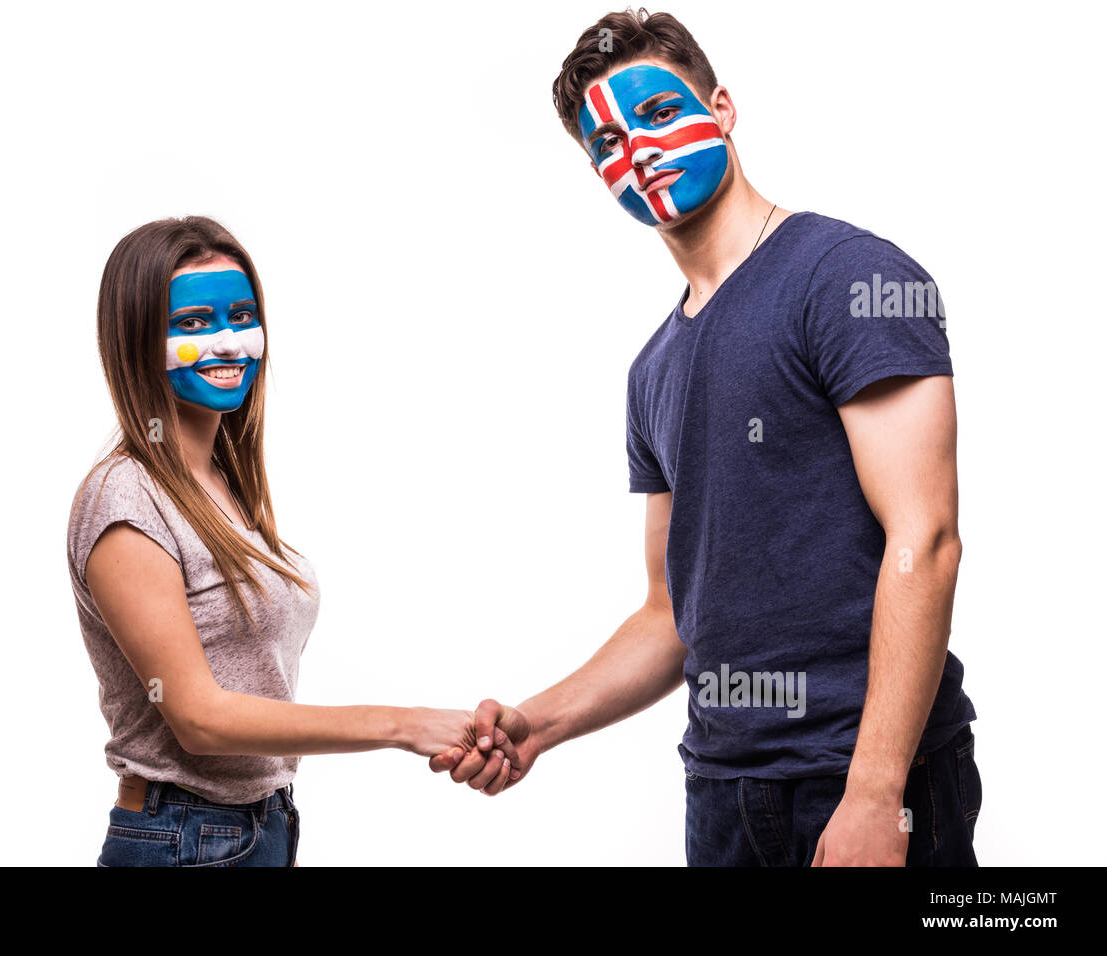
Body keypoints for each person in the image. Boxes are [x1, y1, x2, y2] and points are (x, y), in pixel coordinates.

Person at [432, 8, 981, 867]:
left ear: (722, 107)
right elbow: (671, 615)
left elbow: (929, 538)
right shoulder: (653, 368)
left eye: (656, 114)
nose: (637, 150)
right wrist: (538, 723)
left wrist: (876, 789)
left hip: (863, 775)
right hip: (721, 792)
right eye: (606, 143)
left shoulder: (849, 277)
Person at [68, 216, 518, 867]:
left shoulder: (224, 484)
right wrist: (405, 724)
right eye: (193, 324)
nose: (228, 342)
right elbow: (197, 717)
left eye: (241, 316)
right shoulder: (126, 498)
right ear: (137, 339)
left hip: (256, 827)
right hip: (184, 837)